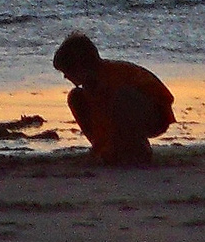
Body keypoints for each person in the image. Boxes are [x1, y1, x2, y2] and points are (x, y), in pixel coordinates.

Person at [52, 32, 175, 166]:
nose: (65, 77)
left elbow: (106, 118)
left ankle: (138, 149)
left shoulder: (109, 78)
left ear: (80, 68)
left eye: (67, 72)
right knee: (75, 97)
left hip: (156, 115)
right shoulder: (91, 85)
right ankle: (111, 151)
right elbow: (101, 120)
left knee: (121, 97)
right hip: (132, 111)